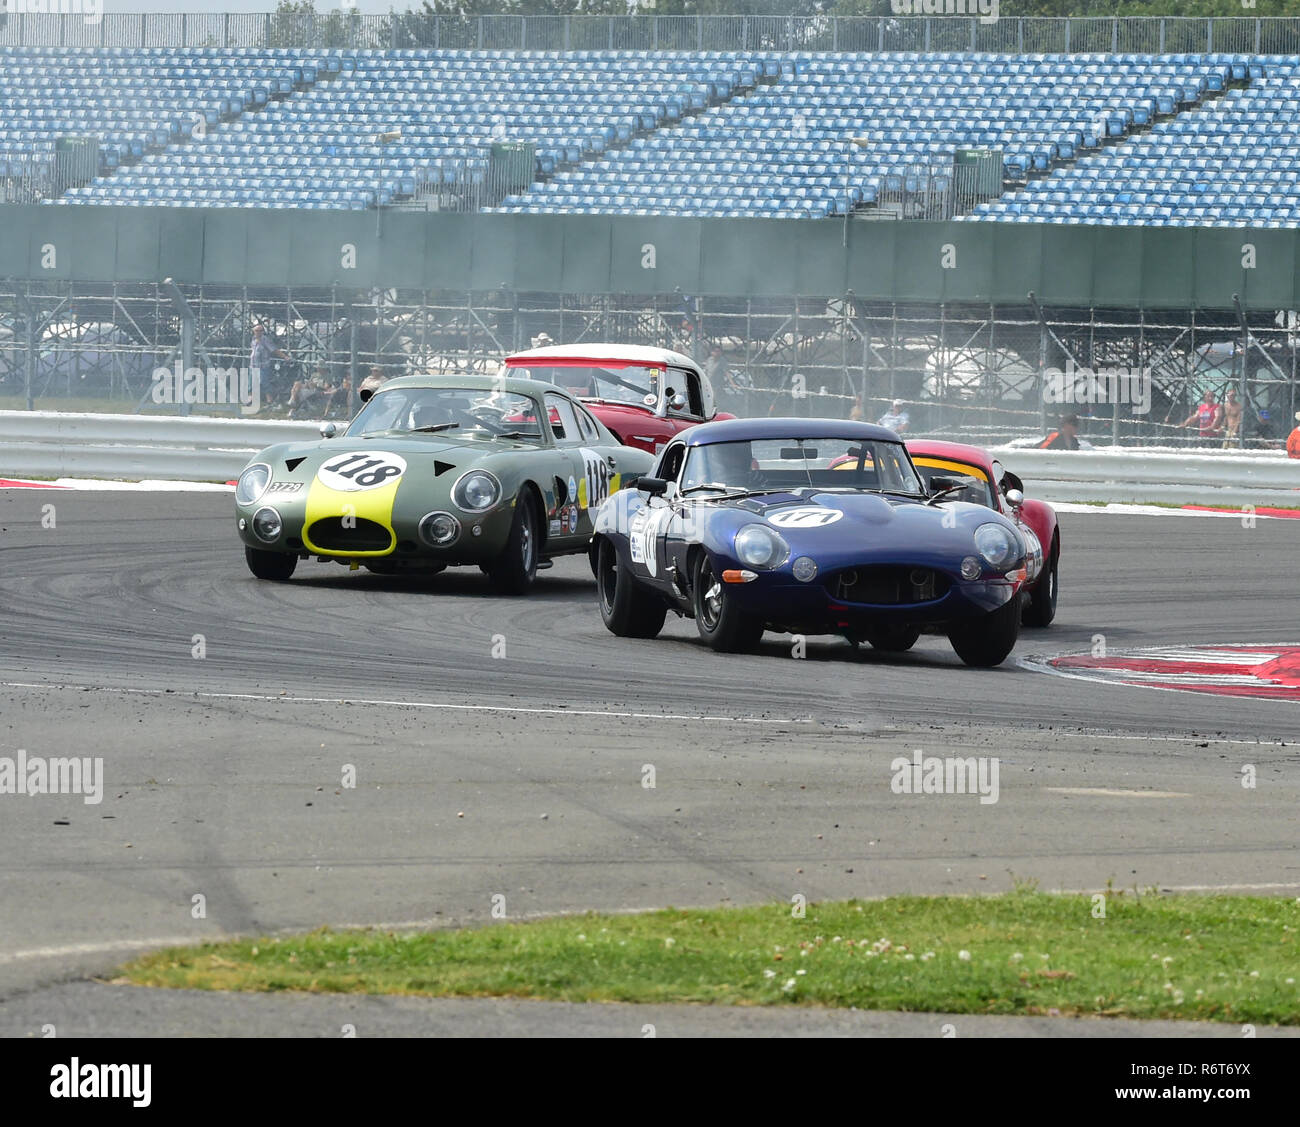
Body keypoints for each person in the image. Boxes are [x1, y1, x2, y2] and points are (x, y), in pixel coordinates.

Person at [250, 324, 288, 405]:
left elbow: (274, 350)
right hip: (253, 365)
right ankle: (252, 399)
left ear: (263, 332)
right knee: (253, 383)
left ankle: (269, 400)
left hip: (263, 366)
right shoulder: (253, 340)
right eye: (256, 330)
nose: (258, 332)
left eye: (260, 331)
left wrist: (284, 356)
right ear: (254, 331)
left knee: (265, 383)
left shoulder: (265, 340)